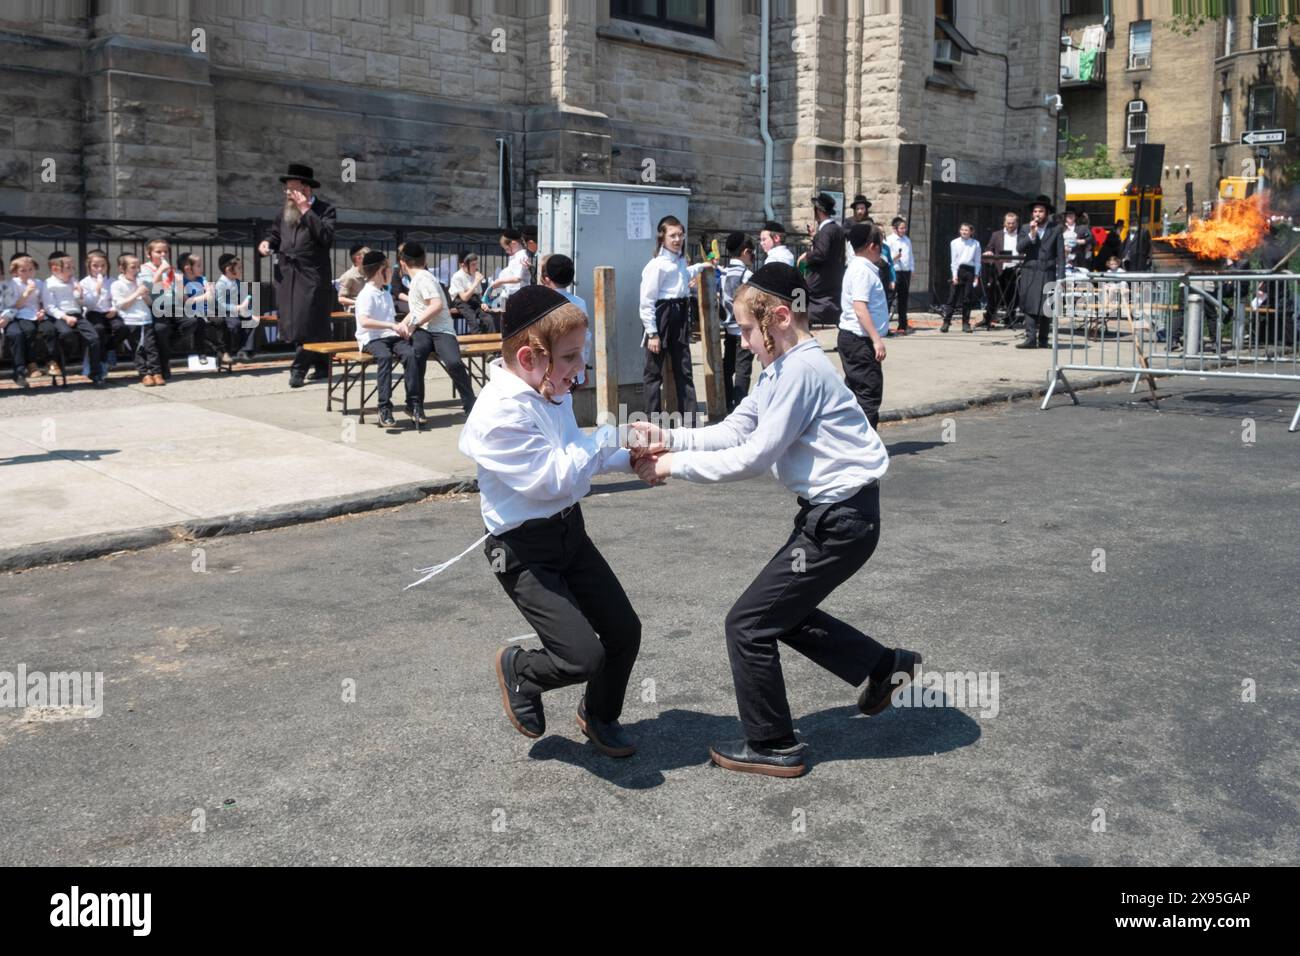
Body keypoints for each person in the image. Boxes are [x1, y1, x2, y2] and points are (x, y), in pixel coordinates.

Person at [630, 264, 920, 778]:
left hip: (842, 521)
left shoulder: (803, 371)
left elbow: (752, 457)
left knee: (749, 624)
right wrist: (669, 437)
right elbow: (736, 428)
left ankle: (773, 744)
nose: (743, 341)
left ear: (780, 317)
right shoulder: (782, 367)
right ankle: (885, 668)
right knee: (778, 611)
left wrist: (670, 467)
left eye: (745, 329)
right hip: (834, 519)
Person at [456, 286, 642, 758]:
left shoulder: (546, 386)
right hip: (520, 549)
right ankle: (520, 670)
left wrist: (632, 459)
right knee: (582, 656)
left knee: (624, 631)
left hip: (567, 531)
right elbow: (551, 477)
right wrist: (610, 435)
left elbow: (575, 455)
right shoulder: (499, 415)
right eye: (571, 357)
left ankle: (599, 715)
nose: (580, 370)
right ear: (528, 356)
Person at [257, 162, 338, 388]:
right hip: (287, 276)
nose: (288, 193)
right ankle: (323, 366)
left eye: (292, 189)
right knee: (298, 323)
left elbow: (325, 237)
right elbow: (274, 234)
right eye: (287, 189)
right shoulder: (283, 213)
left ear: (306, 189)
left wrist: (306, 210)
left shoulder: (325, 210)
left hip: (311, 275)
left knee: (308, 321)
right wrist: (266, 243)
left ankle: (298, 369)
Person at [639, 214, 706, 419]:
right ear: (663, 238)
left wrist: (703, 266)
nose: (677, 240)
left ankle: (691, 420)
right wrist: (652, 333)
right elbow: (647, 301)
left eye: (680, 235)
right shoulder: (657, 265)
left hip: (679, 316)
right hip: (662, 317)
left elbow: (683, 276)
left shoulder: (679, 262)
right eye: (672, 236)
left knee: (684, 369)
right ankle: (653, 421)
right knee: (654, 373)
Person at [400, 241, 475, 420]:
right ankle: (415, 406)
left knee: (453, 362)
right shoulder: (418, 279)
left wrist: (414, 323)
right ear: (424, 259)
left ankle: (471, 405)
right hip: (424, 330)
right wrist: (403, 323)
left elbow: (436, 305)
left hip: (441, 330)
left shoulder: (423, 278)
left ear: (402, 262)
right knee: (416, 356)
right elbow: (419, 308)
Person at [354, 250, 418, 428]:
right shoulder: (366, 294)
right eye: (388, 269)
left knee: (411, 354)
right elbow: (364, 321)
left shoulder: (385, 293)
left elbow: (390, 322)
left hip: (389, 336)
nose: (392, 272)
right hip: (371, 339)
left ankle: (413, 404)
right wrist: (391, 326)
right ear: (379, 271)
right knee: (384, 357)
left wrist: (401, 326)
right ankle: (384, 408)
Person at [838, 223, 889, 428]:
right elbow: (860, 308)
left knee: (856, 391)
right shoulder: (861, 271)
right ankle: (866, 447)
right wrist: (876, 340)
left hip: (855, 338)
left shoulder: (860, 267)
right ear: (872, 247)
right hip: (860, 339)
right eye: (881, 245)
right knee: (869, 393)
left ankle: (851, 441)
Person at [42, 249, 104, 385]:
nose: (72, 270)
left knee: (94, 338)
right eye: (68, 267)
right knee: (66, 334)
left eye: (72, 267)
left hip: (76, 314)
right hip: (60, 316)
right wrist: (65, 317)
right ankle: (61, 361)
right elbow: (49, 307)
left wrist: (80, 294)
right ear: (55, 269)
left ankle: (95, 372)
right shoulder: (49, 284)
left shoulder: (73, 281)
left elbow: (84, 302)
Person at [1015, 195, 1065, 350]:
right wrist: (1031, 235)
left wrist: (1061, 278)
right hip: (1030, 270)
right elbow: (1019, 248)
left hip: (1048, 271)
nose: (1037, 214)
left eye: (1041, 211)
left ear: (1047, 213)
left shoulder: (1055, 229)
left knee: (1046, 305)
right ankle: (1030, 338)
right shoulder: (1025, 228)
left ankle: (1043, 339)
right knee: (1029, 304)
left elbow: (1061, 255)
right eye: (1035, 211)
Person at [538, 253, 592, 387]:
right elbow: (586, 338)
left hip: (545, 371)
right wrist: (583, 366)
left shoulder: (540, 301)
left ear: (546, 278)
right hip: (572, 371)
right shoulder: (579, 303)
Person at [111, 253, 162, 386]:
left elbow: (150, 303)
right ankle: (144, 374)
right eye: (133, 267)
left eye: (138, 267)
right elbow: (122, 305)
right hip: (131, 321)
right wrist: (137, 293)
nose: (137, 271)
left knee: (151, 347)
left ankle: (156, 372)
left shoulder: (141, 282)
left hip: (146, 319)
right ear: (122, 268)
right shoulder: (117, 285)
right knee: (138, 349)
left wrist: (145, 294)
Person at [719, 232, 756, 412]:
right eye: (752, 253)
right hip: (744, 330)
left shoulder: (724, 273)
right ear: (746, 252)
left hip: (728, 327)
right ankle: (739, 407)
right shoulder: (746, 274)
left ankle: (726, 404)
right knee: (743, 369)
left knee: (728, 367)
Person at [798, 192, 846, 328]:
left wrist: (806, 256)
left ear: (818, 210)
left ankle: (800, 326)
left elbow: (821, 253)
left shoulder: (825, 231)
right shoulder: (837, 229)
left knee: (798, 292)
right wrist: (815, 237)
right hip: (834, 278)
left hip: (820, 280)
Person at [79, 250, 126, 378]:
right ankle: (102, 360)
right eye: (95, 266)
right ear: (89, 267)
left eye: (103, 266)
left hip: (109, 311)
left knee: (121, 328)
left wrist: (115, 308)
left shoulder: (112, 281)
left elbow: (117, 298)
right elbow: (88, 304)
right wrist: (97, 290)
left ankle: (110, 348)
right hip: (94, 311)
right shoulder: (85, 283)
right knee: (98, 329)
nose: (99, 269)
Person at [2, 253, 44, 388]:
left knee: (17, 334)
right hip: (16, 316)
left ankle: (19, 372)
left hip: (7, 317)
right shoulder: (13, 284)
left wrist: (6, 317)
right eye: (23, 270)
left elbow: (11, 306)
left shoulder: (4, 286)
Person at [982, 212, 1024, 330]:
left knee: (1013, 296)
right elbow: (989, 248)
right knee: (993, 294)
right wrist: (989, 252)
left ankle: (1009, 319)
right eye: (1008, 223)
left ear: (1017, 223)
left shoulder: (1021, 235)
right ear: (1004, 223)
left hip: (1015, 268)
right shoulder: (996, 235)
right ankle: (988, 319)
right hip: (1000, 268)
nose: (1010, 225)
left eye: (1013, 223)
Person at [213, 254, 258, 363]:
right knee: (235, 324)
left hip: (239, 311)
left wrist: (250, 312)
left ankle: (245, 350)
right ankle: (234, 349)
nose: (241, 269)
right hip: (226, 312)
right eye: (239, 267)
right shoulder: (221, 284)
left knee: (252, 322)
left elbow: (244, 300)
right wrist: (237, 308)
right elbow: (220, 304)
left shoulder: (237, 282)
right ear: (229, 269)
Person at [943, 222, 982, 333]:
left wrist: (976, 275)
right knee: (952, 297)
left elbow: (978, 261)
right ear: (960, 231)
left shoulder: (975, 244)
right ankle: (946, 322)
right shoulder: (954, 242)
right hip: (959, 270)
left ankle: (965, 323)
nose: (964, 232)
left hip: (970, 271)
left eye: (967, 230)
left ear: (971, 232)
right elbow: (954, 260)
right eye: (962, 230)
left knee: (967, 298)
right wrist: (954, 275)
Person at [884, 217, 914, 335]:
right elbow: (885, 257)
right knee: (890, 298)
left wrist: (912, 269)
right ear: (895, 229)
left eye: (904, 228)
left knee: (903, 299)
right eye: (901, 228)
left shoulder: (907, 240)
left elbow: (910, 256)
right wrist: (894, 258)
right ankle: (884, 324)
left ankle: (902, 324)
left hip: (905, 272)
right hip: (894, 271)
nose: (903, 230)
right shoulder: (890, 240)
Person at [448, 252, 488, 333]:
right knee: (472, 319)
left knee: (488, 318)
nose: (475, 267)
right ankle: (477, 340)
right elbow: (464, 298)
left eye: (476, 264)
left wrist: (483, 303)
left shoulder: (475, 274)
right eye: (473, 265)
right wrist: (476, 282)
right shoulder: (457, 276)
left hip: (474, 299)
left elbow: (479, 294)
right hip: (461, 301)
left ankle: (490, 340)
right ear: (463, 265)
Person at [336, 243, 369, 310]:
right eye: (368, 257)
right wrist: (357, 302)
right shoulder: (349, 276)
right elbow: (341, 298)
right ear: (359, 259)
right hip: (355, 309)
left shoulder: (370, 273)